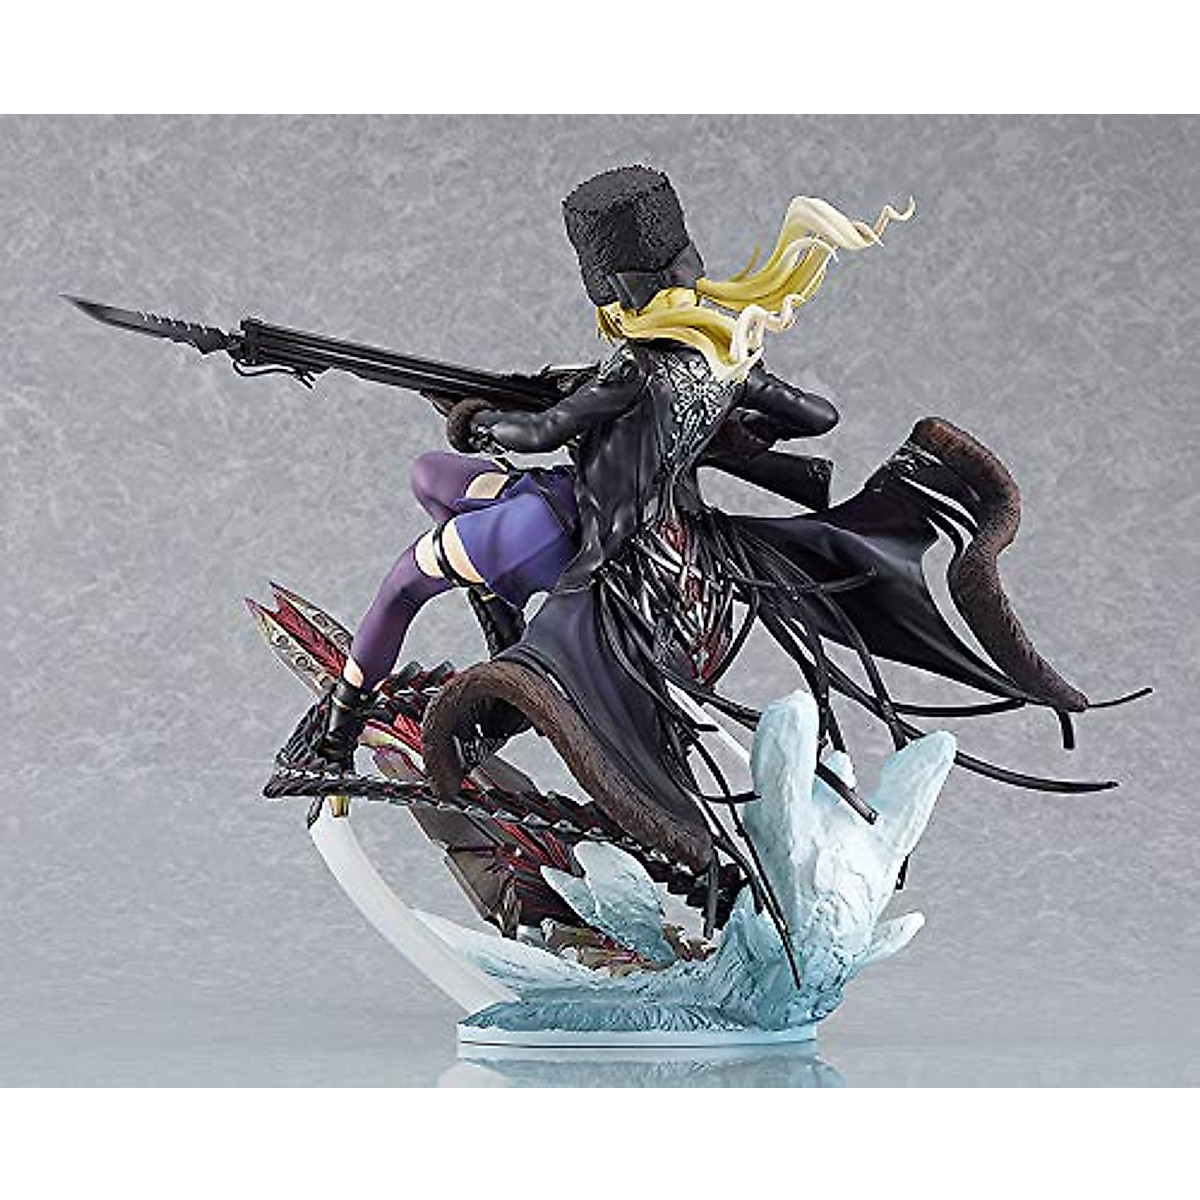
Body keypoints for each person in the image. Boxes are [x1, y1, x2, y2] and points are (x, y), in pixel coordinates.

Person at [273, 165, 1109, 866]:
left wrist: (476, 419)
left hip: (591, 554)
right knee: (433, 477)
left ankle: (341, 728)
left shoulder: (629, 371)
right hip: (692, 556)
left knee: (406, 579)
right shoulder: (725, 358)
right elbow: (817, 416)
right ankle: (509, 641)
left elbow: (536, 434)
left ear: (613, 298)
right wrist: (731, 422)